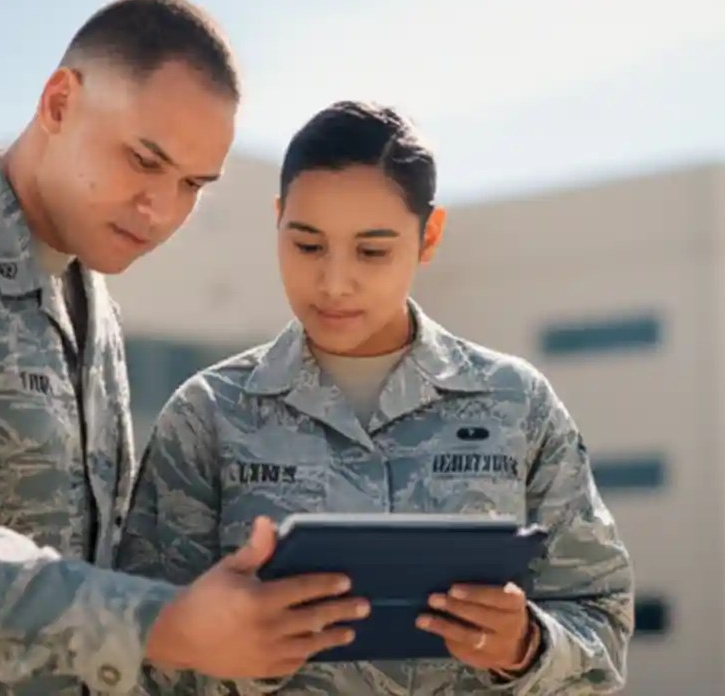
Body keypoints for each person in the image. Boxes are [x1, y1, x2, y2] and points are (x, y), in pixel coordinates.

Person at [0, 0, 366, 696]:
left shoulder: (88, 302)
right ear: (58, 104)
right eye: (145, 160)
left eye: (192, 185)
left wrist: (245, 629)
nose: (163, 210)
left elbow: (90, 593)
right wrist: (171, 621)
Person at [121, 100, 636, 695]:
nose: (335, 281)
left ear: (429, 237)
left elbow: (602, 623)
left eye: (372, 251)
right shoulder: (207, 414)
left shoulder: (517, 405)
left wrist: (527, 646)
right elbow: (139, 658)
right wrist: (237, 649)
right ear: (277, 220)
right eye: (308, 245)